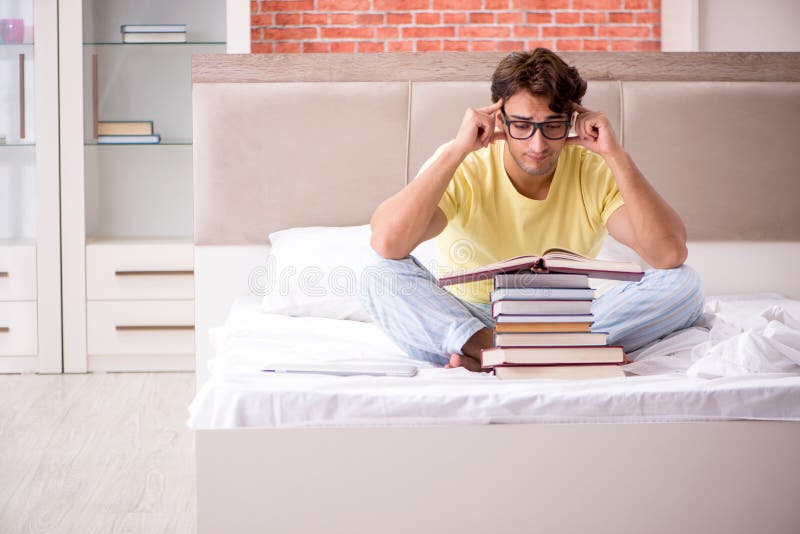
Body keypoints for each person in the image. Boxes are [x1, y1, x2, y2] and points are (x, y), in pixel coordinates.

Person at [360, 48, 704, 372]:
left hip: (567, 319)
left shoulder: (594, 167)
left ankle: (501, 357)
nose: (537, 146)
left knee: (683, 283)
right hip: (473, 320)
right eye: (522, 126)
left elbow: (668, 253)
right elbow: (388, 243)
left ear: (572, 120)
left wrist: (617, 156)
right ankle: (507, 350)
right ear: (499, 118)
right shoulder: (463, 162)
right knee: (379, 274)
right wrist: (456, 150)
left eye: (552, 125)